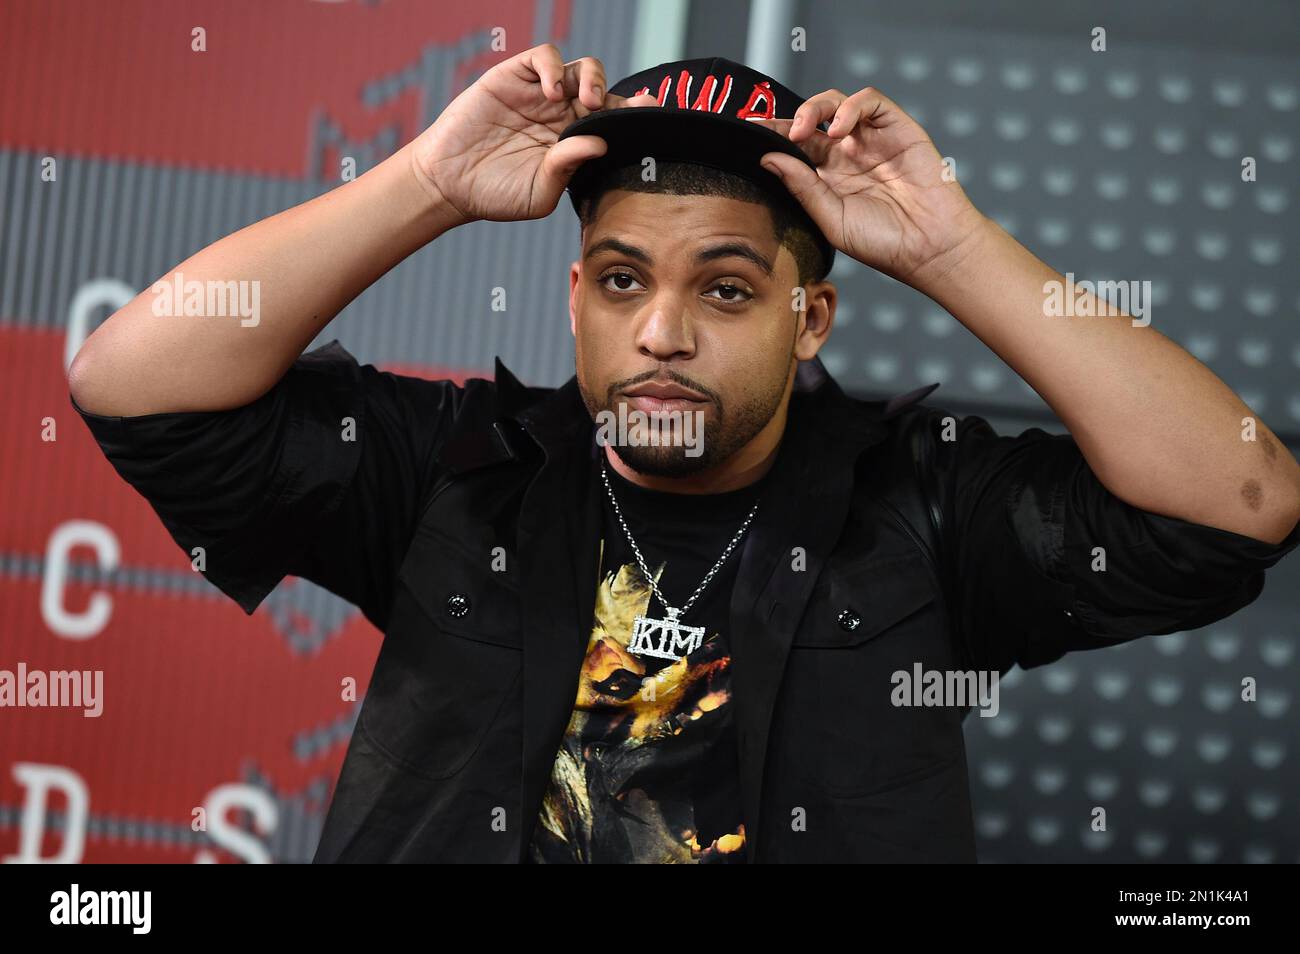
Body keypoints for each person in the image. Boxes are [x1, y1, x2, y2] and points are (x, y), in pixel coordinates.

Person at [69, 46, 1300, 863]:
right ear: (574, 301)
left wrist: (948, 249)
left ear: (806, 318)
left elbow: (1239, 498)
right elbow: (133, 382)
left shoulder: (918, 509)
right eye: (621, 281)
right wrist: (429, 184)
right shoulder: (454, 473)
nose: (659, 333)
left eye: (723, 288)